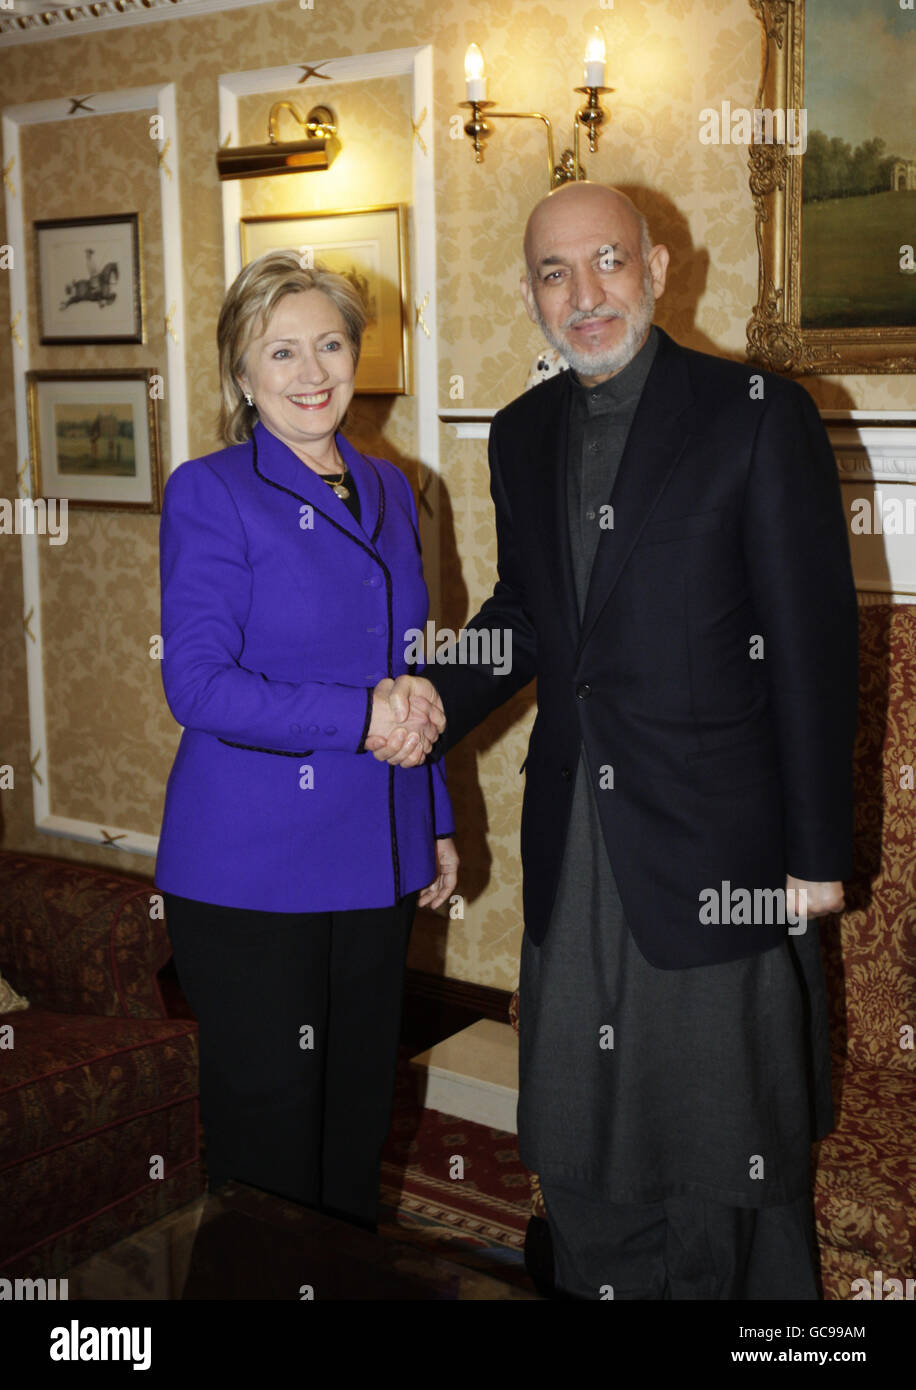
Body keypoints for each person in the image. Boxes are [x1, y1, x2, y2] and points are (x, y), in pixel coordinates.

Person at [367, 182, 858, 1298]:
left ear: (658, 269)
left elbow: (810, 644)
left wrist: (815, 852)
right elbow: (531, 616)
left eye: (607, 263)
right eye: (554, 272)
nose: (583, 295)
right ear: (528, 293)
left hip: (716, 848)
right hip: (576, 844)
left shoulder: (753, 411)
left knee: (716, 1143)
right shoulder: (520, 431)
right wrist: (434, 697)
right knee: (580, 1136)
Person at [155, 250, 458, 1230]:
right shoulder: (212, 490)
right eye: (279, 351)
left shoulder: (391, 484)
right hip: (253, 872)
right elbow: (195, 685)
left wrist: (435, 816)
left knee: (355, 1120)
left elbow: (412, 667)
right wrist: (358, 717)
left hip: (373, 857)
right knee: (271, 1142)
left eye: (328, 344)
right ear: (241, 375)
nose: (310, 371)